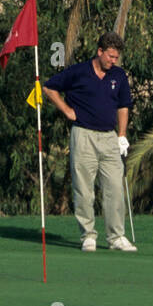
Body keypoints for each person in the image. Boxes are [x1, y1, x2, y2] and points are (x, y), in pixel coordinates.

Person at [44, 31, 136, 252]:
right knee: (84, 189)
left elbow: (124, 106)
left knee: (114, 187)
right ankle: (88, 236)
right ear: (100, 51)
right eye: (110, 57)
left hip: (109, 137)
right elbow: (49, 87)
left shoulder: (119, 76)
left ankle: (116, 237)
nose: (113, 61)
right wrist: (66, 110)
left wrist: (122, 135)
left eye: (116, 58)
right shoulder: (79, 72)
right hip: (83, 136)